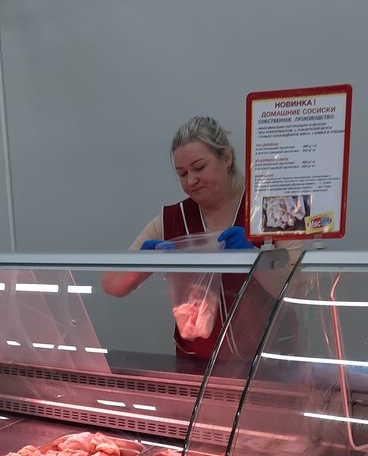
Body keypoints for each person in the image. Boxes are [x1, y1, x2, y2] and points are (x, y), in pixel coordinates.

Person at [103, 115, 271, 360]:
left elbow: (299, 284)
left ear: (227, 158)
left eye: (199, 168)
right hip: (197, 368)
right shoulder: (172, 219)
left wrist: (255, 258)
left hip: (267, 366)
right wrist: (144, 262)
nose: (191, 180)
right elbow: (112, 285)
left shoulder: (269, 209)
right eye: (182, 174)